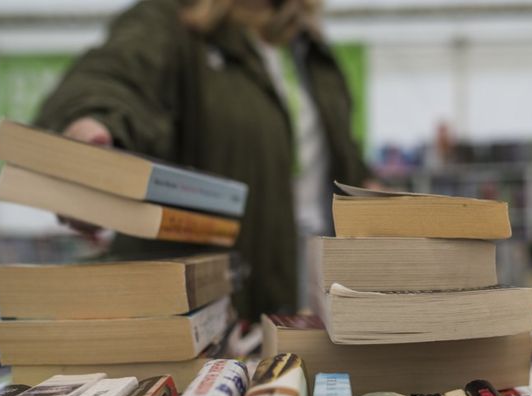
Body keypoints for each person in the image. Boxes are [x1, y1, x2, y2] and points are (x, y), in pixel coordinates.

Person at [34, 0, 370, 319]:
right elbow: (112, 78)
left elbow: (339, 160)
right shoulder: (171, 22)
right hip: (210, 310)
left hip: (309, 300)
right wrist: (90, 127)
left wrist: (381, 199)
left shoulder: (312, 53)